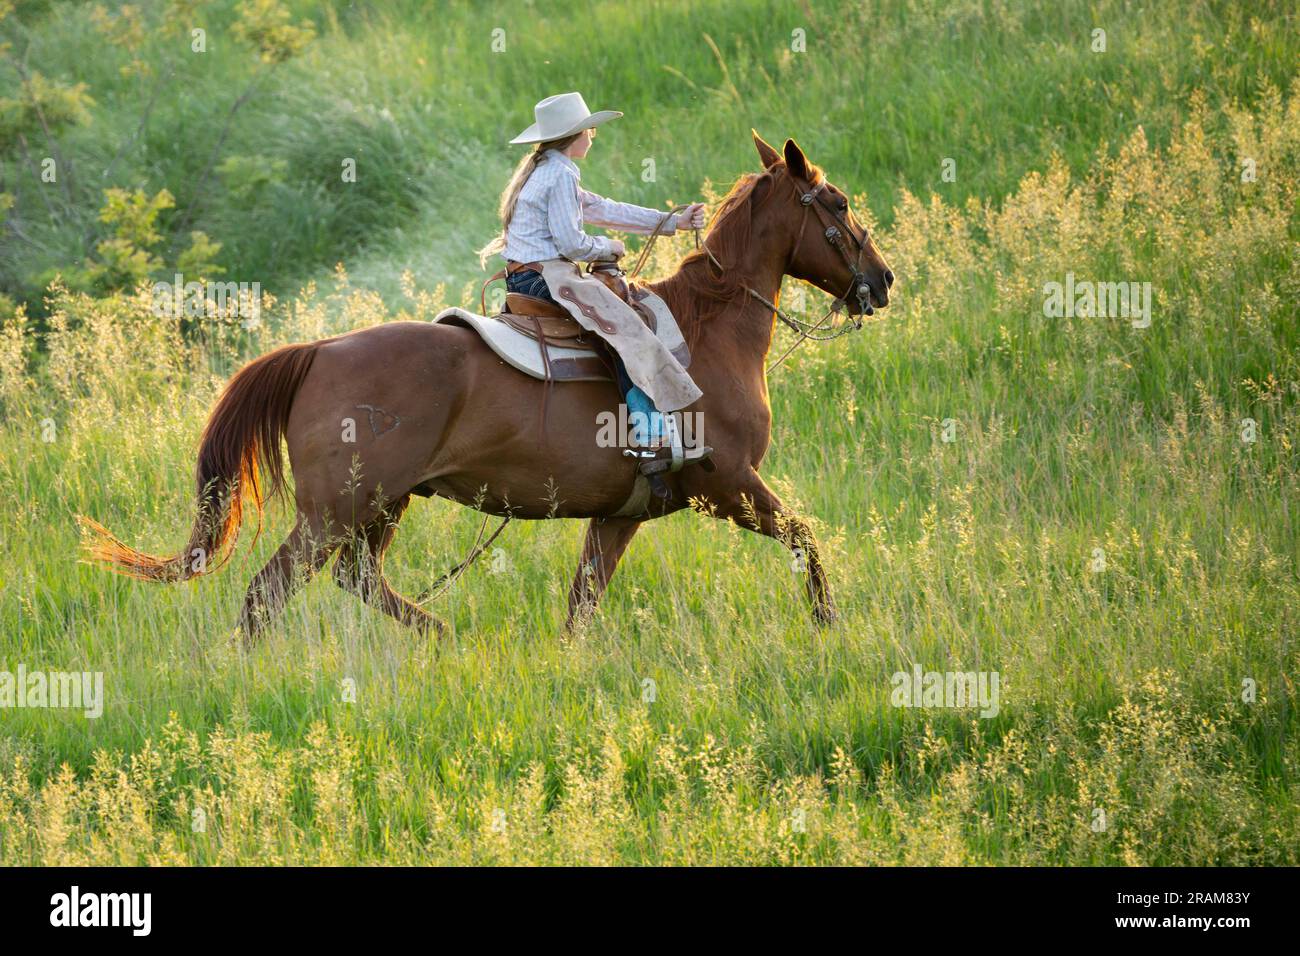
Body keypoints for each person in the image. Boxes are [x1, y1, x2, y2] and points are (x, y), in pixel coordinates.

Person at [476, 92, 706, 446]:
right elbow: (572, 244)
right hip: (546, 278)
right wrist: (608, 246)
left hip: (523, 276)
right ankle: (651, 430)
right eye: (590, 131)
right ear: (575, 135)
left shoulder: (544, 169)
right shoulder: (560, 174)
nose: (592, 137)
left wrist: (673, 221)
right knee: (629, 328)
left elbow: (604, 209)